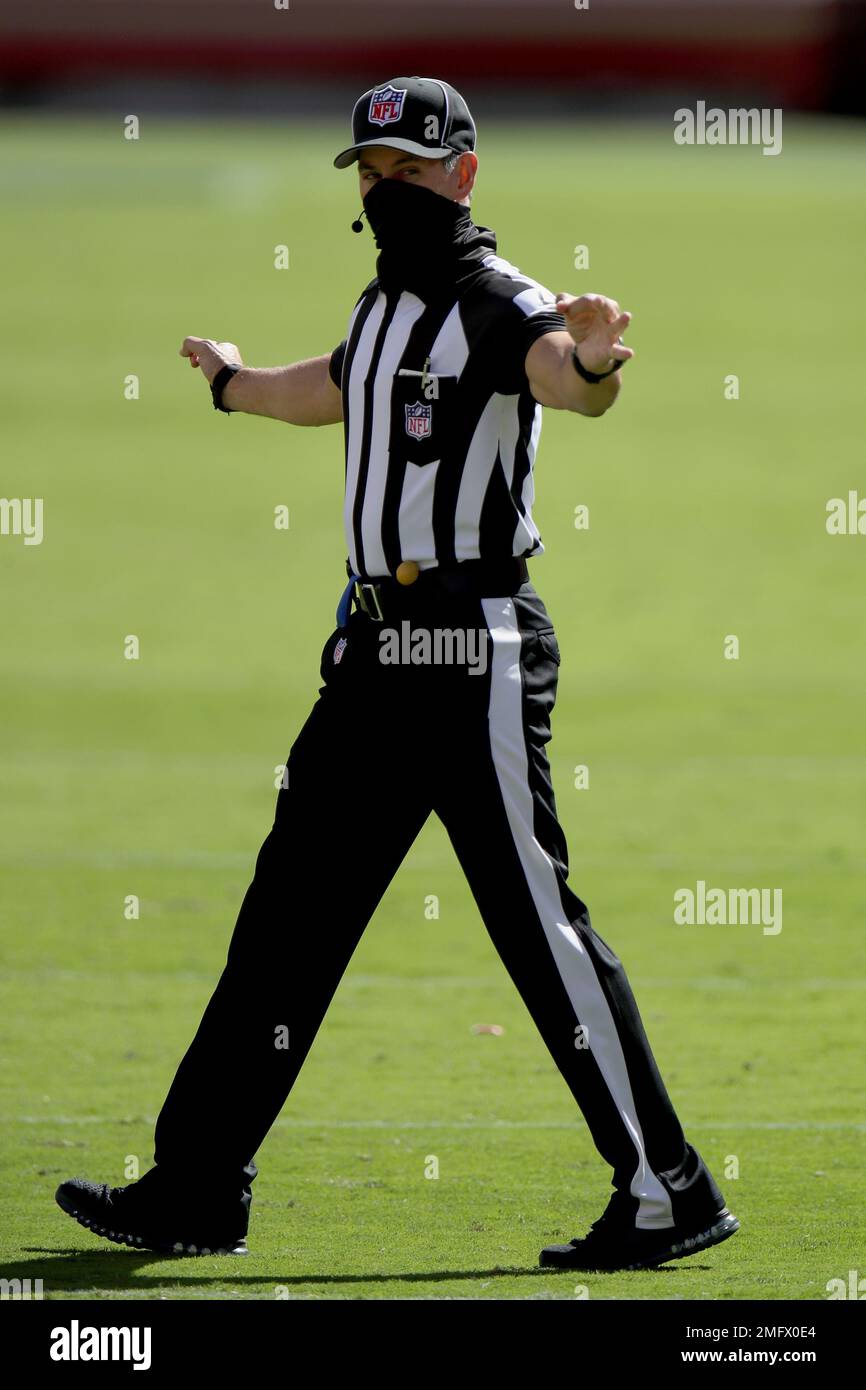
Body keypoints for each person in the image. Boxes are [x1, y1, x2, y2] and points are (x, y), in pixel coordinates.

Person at [56, 76, 738, 1271]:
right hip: (373, 653)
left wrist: (589, 356)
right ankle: (196, 1187)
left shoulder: (493, 301)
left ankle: (664, 1188)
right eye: (370, 173)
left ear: (461, 176)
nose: (385, 192)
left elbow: (564, 383)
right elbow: (336, 387)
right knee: (286, 922)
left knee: (539, 931)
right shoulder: (382, 306)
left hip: (469, 649)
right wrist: (228, 383)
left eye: (408, 174)